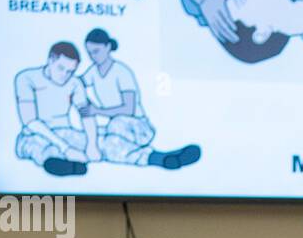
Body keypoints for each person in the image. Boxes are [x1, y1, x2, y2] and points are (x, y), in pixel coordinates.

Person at [78, 28, 200, 169]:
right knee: (99, 140)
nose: (93, 56)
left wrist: (96, 111)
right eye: (90, 53)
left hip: (137, 126)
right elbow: (76, 83)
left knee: (111, 141)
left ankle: (161, 158)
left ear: (108, 47)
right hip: (118, 128)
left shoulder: (122, 72)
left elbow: (128, 109)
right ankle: (163, 158)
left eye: (96, 51)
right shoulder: (93, 71)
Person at [13, 41, 97, 176]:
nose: (65, 75)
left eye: (70, 71)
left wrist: (92, 145)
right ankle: (65, 165)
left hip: (66, 132)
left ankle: (141, 156)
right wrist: (66, 149)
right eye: (61, 68)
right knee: (43, 151)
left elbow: (86, 114)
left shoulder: (75, 83)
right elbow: (30, 121)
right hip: (34, 135)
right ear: (50, 60)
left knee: (106, 142)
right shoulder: (26, 78)